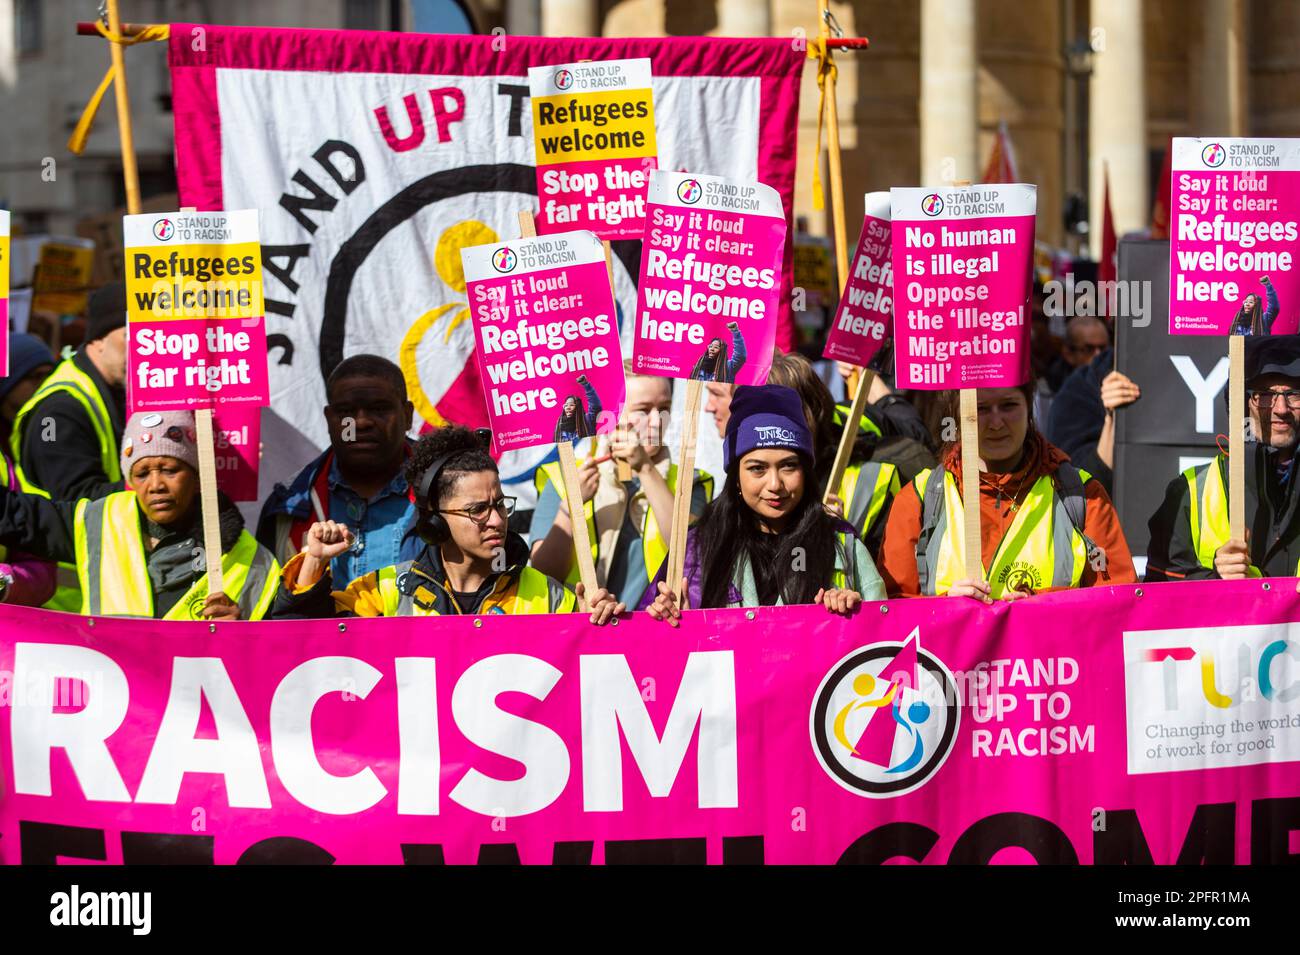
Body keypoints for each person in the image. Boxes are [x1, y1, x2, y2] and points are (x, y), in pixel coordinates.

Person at [270, 425, 624, 620]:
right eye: (477, 511)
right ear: (434, 520)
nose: (497, 520)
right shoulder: (384, 591)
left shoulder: (549, 596)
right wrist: (314, 562)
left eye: (500, 505)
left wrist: (599, 621)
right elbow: (300, 639)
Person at [0, 410, 280, 619]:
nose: (156, 485)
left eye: (170, 470)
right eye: (142, 473)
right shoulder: (98, 521)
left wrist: (241, 633)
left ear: (198, 477)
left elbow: (279, 651)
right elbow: (17, 516)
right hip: (113, 694)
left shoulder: (253, 560)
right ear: (130, 481)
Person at [645, 384, 885, 624]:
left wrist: (856, 615)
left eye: (789, 465)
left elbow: (882, 636)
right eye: (757, 469)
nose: (775, 484)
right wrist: (676, 623)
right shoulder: (696, 549)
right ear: (736, 477)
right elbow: (646, 643)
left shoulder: (842, 542)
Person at [879, 382, 1136, 601]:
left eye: (1009, 405)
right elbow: (892, 616)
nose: (996, 422)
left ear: (1029, 409)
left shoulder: (1082, 495)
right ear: (956, 415)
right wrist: (948, 609)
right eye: (980, 408)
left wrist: (1038, 608)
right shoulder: (918, 499)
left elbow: (1118, 605)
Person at [531, 362, 713, 606]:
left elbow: (692, 555)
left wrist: (646, 469)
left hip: (656, 628)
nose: (657, 422)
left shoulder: (691, 480)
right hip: (583, 628)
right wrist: (570, 508)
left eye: (664, 409)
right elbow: (544, 573)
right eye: (643, 410)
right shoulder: (564, 475)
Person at [9, 282, 129, 610]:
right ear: (98, 339)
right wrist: (153, 485)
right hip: (64, 610)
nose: (146, 348)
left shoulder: (115, 389)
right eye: (131, 336)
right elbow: (75, 501)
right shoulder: (59, 411)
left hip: (100, 593)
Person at [1147, 336, 1300, 581]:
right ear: (1241, 404)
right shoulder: (1190, 490)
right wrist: (1216, 580)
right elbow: (1159, 597)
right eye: (1264, 394)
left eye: (1294, 394)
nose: (1281, 409)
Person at [257, 355, 421, 582]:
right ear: (329, 419)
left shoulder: (450, 497)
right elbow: (269, 610)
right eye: (346, 411)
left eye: (379, 409)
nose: (361, 423)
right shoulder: (286, 508)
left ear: (408, 415)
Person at [768, 351, 934, 558]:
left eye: (722, 396)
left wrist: (837, 539)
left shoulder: (868, 468)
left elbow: (914, 433)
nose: (713, 407)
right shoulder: (839, 416)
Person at [0, 334, 57, 606]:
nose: (45, 386)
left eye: (49, 375)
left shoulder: (8, 461)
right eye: (35, 376)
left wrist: (5, 582)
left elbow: (38, 565)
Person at [1044, 347, 1141, 495]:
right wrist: (1114, 418)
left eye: (1102, 346)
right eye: (1088, 348)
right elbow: (1076, 488)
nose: (1097, 352)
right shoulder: (1079, 391)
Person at [553, 375, 602, 443]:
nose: (568, 407)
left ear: (578, 407)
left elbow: (596, 407)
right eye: (566, 405)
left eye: (571, 405)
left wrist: (586, 386)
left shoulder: (587, 420)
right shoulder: (560, 426)